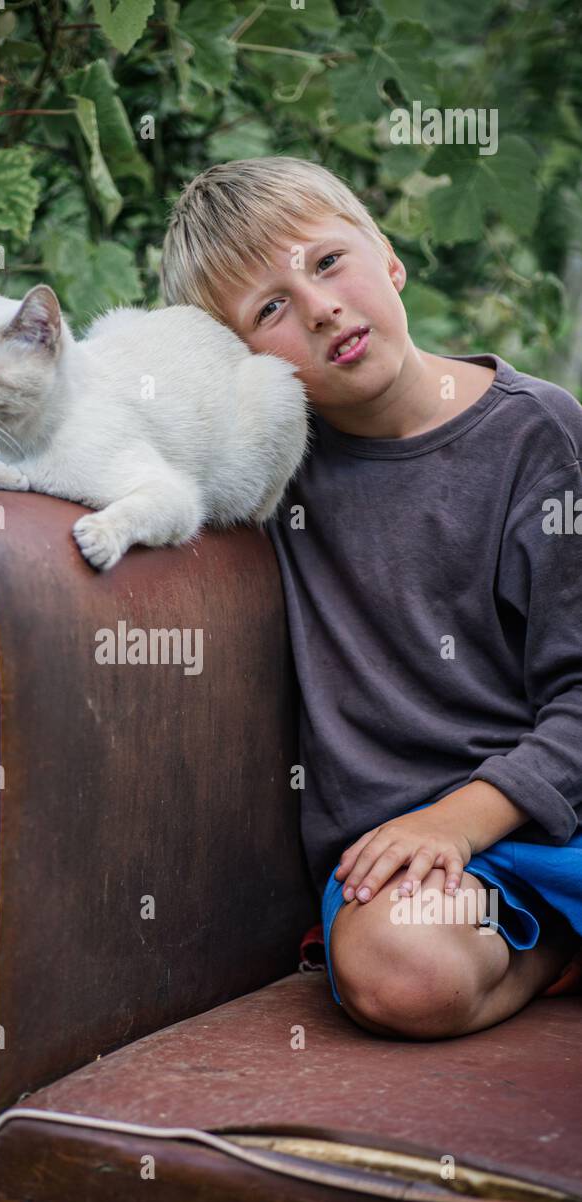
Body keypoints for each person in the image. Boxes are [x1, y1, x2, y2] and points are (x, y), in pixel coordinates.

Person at [159, 155, 582, 1040]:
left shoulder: (540, 437)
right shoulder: (268, 477)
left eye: (326, 263)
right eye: (268, 310)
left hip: (553, 816)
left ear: (388, 256)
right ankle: (548, 952)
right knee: (398, 970)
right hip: (425, 875)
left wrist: (461, 822)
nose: (318, 309)